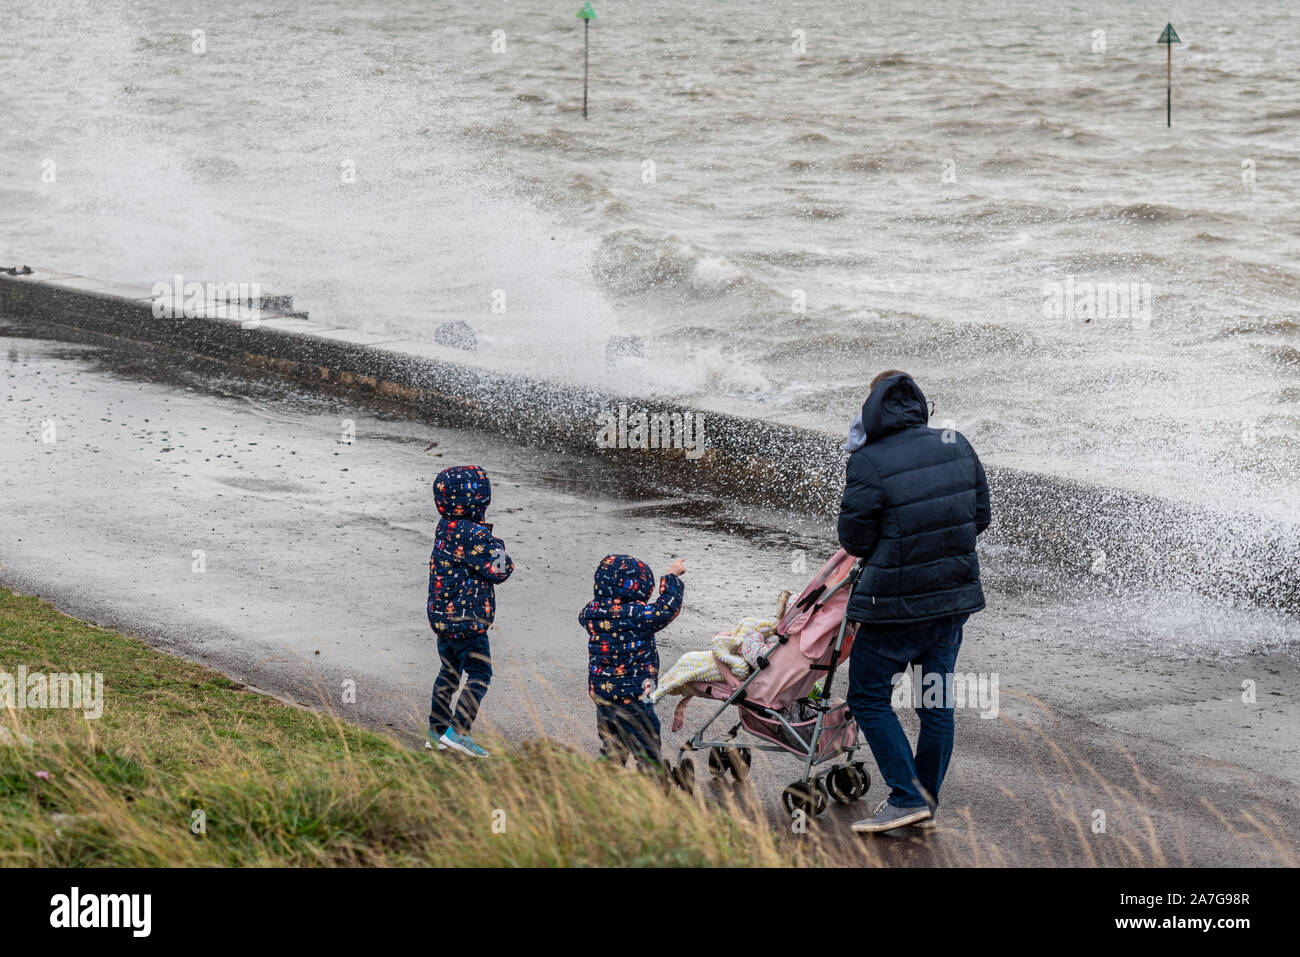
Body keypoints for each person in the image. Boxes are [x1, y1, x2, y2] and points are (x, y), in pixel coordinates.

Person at [838, 371, 990, 833]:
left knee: (867, 696)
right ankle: (924, 802)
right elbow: (979, 517)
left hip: (895, 609)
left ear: (872, 409)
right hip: (953, 600)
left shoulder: (868, 460)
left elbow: (855, 539)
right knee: (935, 703)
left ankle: (906, 796)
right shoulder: (957, 443)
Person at [426, 465, 514, 758]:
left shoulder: (444, 526)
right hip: (468, 622)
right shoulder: (476, 535)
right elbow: (501, 570)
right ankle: (458, 731)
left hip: (442, 619)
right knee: (480, 673)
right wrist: (496, 543)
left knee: (448, 672)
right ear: (479, 502)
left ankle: (436, 731)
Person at [580, 554, 685, 768]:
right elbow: (666, 609)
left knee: (613, 747)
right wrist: (672, 576)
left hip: (603, 698)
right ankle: (652, 787)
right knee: (647, 747)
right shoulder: (637, 615)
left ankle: (601, 783)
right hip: (636, 698)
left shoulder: (592, 613)